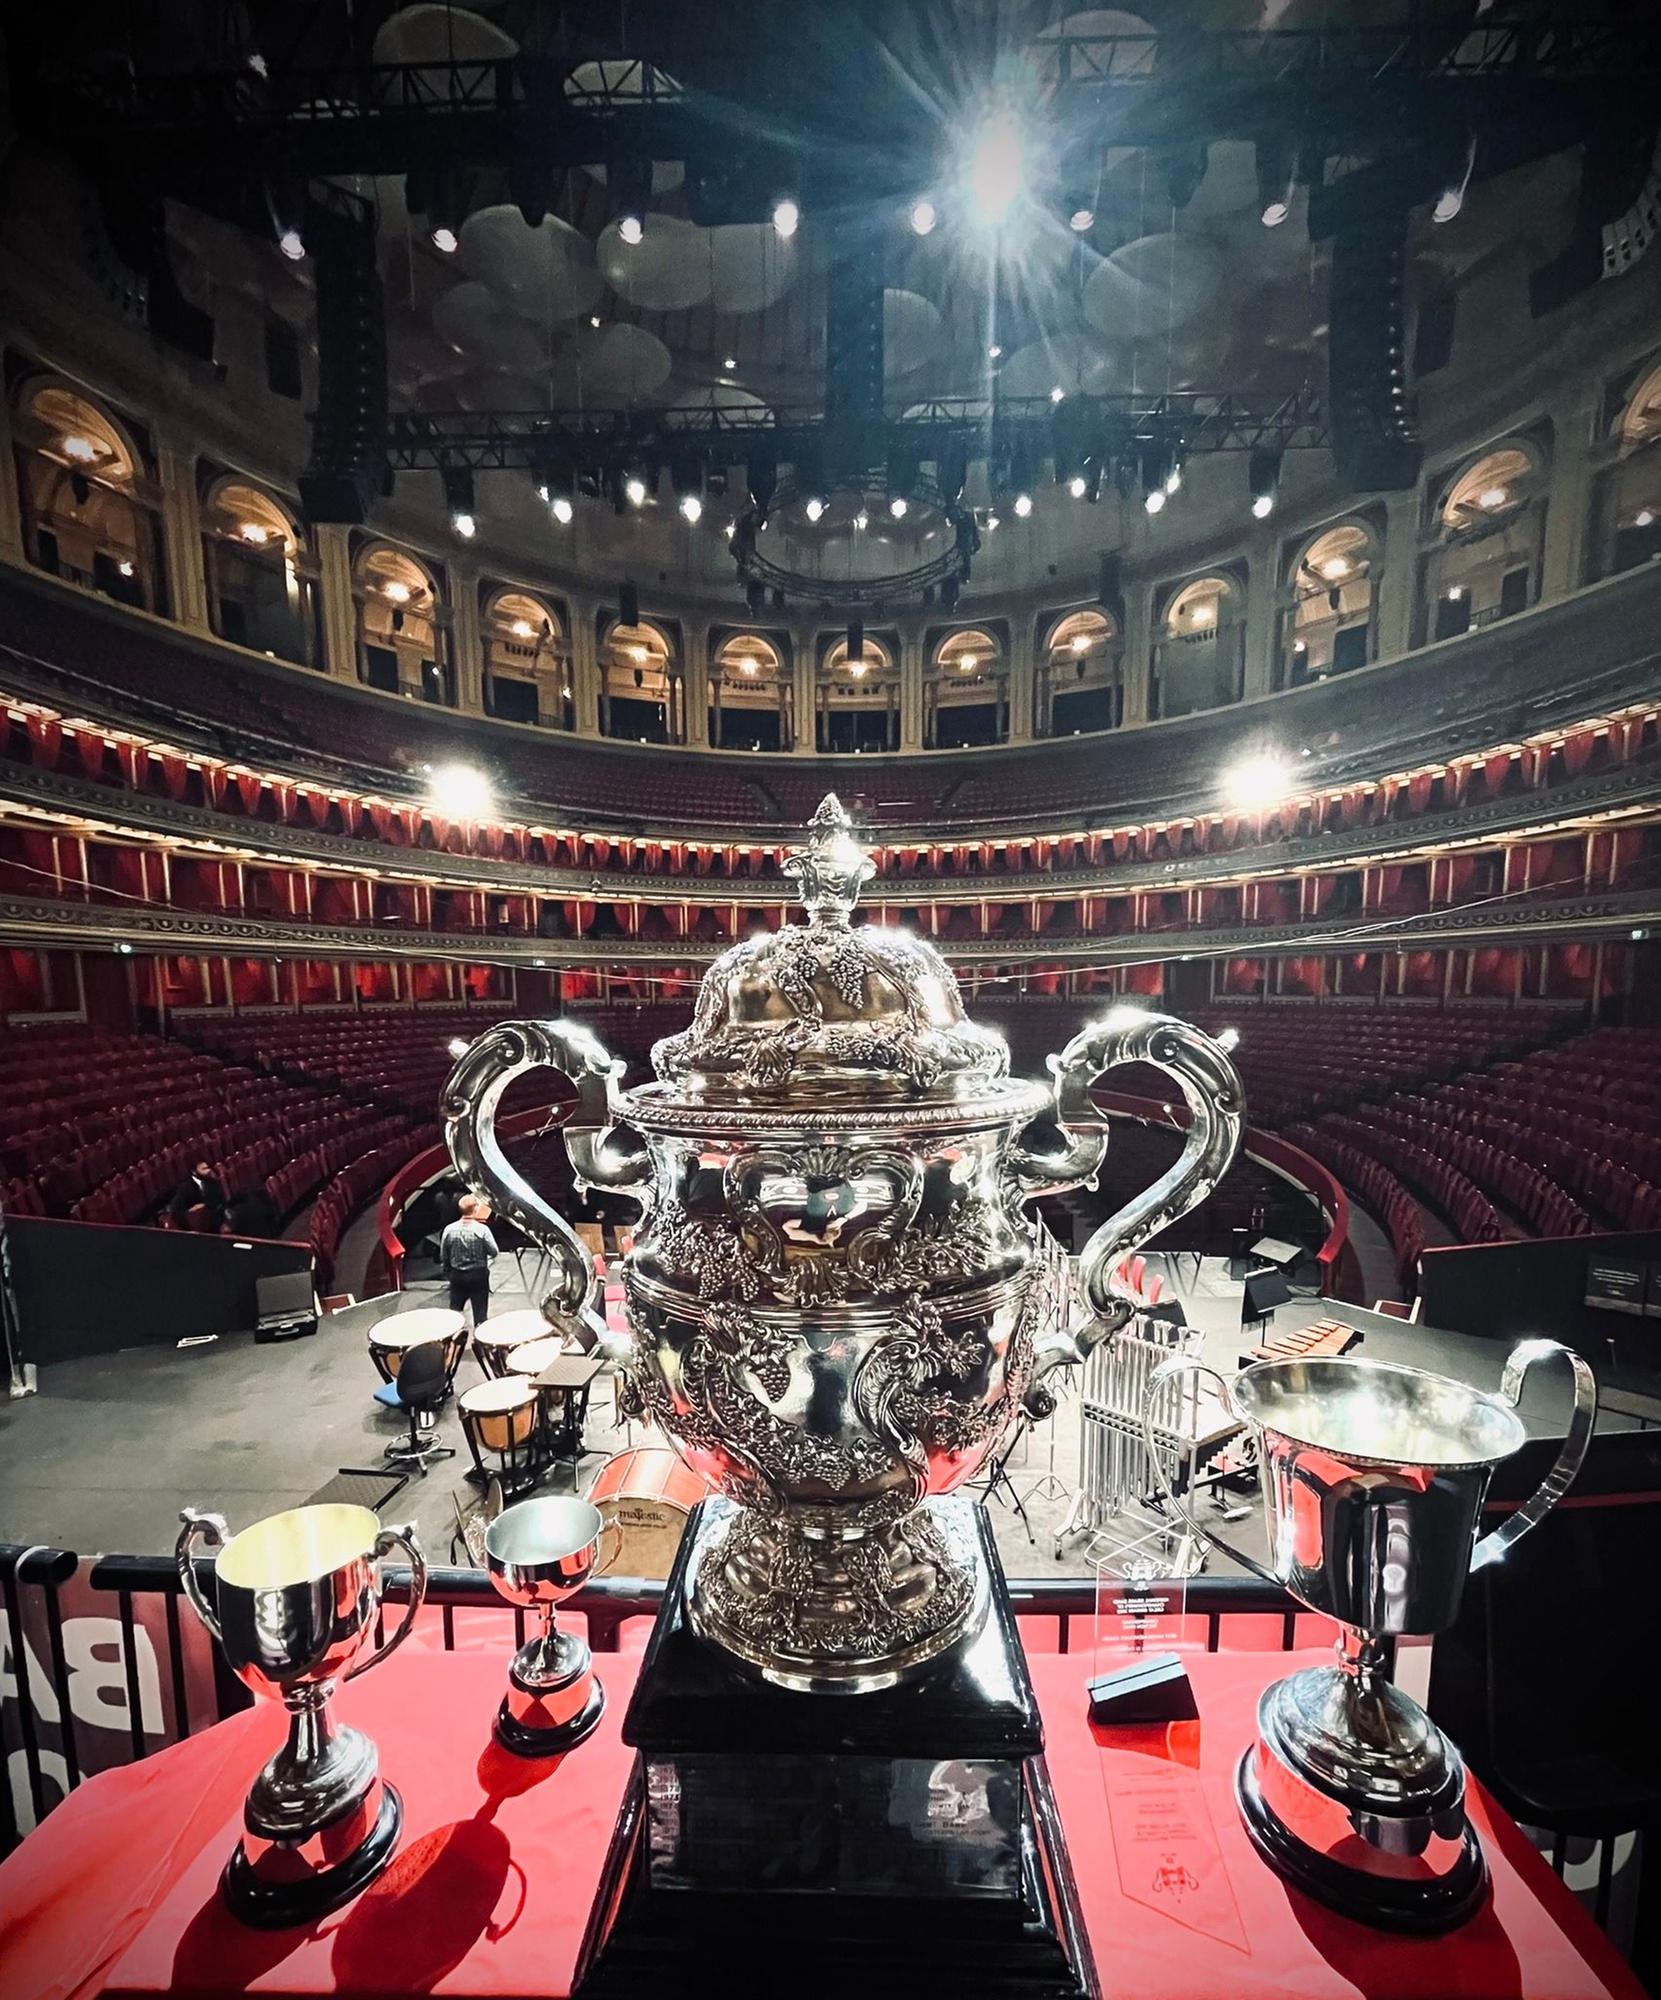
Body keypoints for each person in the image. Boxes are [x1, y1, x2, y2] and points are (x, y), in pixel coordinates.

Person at [440, 1193, 498, 1327]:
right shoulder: (482, 1230)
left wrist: (449, 1272)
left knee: (455, 1313)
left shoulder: (449, 1230)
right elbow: (494, 1251)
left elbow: (443, 1256)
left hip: (457, 1276)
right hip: (478, 1276)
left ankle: (454, 1342)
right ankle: (479, 1344)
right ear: (476, 1208)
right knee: (480, 1315)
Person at [169, 1159, 224, 1230]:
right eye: (204, 1169)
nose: (208, 1171)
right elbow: (177, 1211)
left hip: (212, 1222)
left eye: (208, 1168)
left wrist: (204, 1205)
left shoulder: (213, 1183)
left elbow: (220, 1200)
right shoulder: (185, 1188)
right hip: (193, 1226)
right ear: (194, 1172)